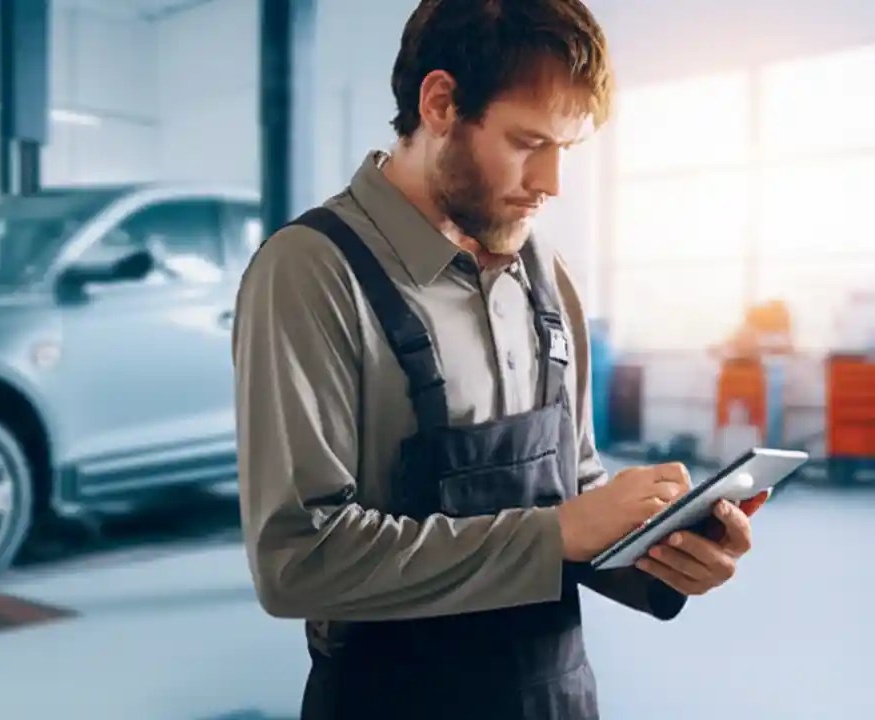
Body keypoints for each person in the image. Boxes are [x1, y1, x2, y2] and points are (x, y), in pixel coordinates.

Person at [231, 1, 765, 718]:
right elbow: (298, 561)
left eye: (566, 150)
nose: (551, 182)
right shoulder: (310, 273)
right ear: (441, 103)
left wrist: (659, 558)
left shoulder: (546, 269)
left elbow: (572, 495)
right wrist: (558, 534)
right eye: (527, 141)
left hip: (556, 696)